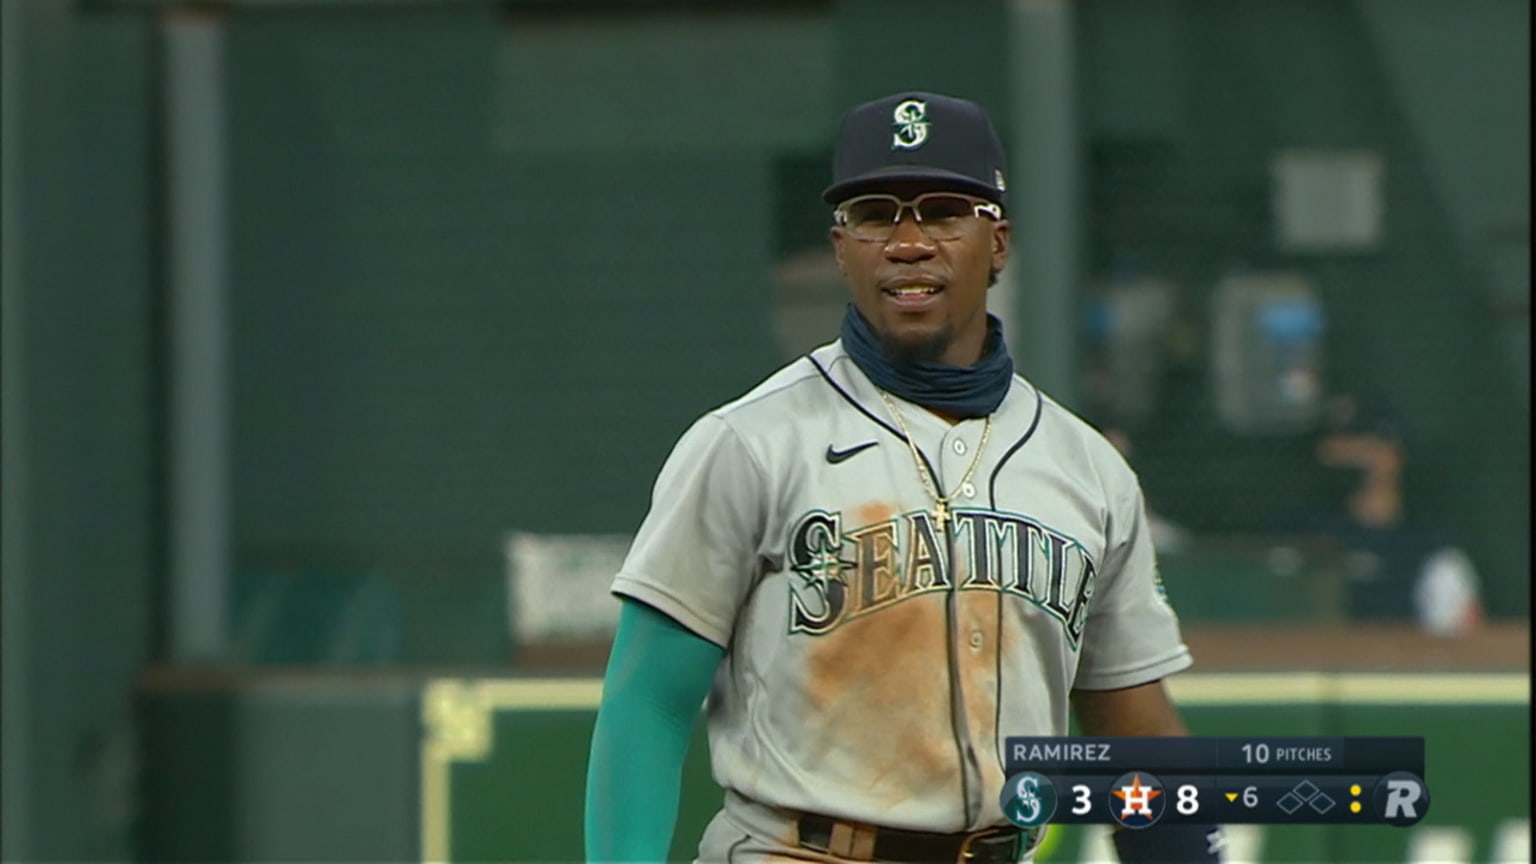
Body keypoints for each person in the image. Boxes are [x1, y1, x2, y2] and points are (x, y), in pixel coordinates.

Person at [585, 92, 1223, 863]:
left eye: (945, 211)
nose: (908, 242)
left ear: (1000, 243)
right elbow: (648, 703)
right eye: (876, 213)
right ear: (840, 246)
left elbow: (1137, 736)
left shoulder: (1087, 471)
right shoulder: (750, 444)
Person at [1312, 393, 1482, 636]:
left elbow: (1466, 644)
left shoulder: (1428, 550)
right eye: (1335, 445)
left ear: (1392, 454)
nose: (1347, 455)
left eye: (1362, 443)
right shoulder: (1305, 538)